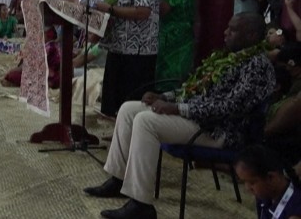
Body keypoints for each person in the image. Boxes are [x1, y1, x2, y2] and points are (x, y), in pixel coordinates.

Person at [83, 13, 276, 219]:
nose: (225, 32)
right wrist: (164, 96)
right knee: (129, 109)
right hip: (197, 119)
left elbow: (229, 107)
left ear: (252, 35)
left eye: (233, 30)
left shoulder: (258, 65)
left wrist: (178, 109)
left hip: (219, 131)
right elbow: (193, 89)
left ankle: (141, 204)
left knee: (145, 121)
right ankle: (118, 179)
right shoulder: (227, 58)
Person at [93, 0, 161, 117]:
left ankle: (129, 139)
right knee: (114, 101)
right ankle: (117, 136)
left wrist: (110, 9)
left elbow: (143, 11)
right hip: (119, 46)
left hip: (138, 51)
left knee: (131, 103)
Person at [156, 0, 195, 92]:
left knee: (167, 76)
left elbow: (161, 12)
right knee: (182, 72)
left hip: (172, 39)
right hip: (186, 37)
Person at [234, 145, 301, 219]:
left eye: (252, 183)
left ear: (271, 178)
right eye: (244, 182)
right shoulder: (265, 195)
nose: (247, 188)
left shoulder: (294, 212)